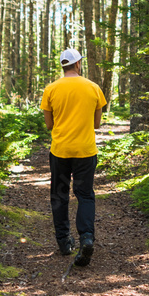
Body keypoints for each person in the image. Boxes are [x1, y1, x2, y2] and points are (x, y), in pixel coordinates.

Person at [40, 48, 106, 266]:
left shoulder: (51, 89)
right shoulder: (94, 88)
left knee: (59, 195)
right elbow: (96, 124)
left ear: (63, 65)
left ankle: (64, 242)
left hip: (60, 150)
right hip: (86, 151)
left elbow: (49, 125)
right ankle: (86, 237)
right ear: (78, 64)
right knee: (85, 195)